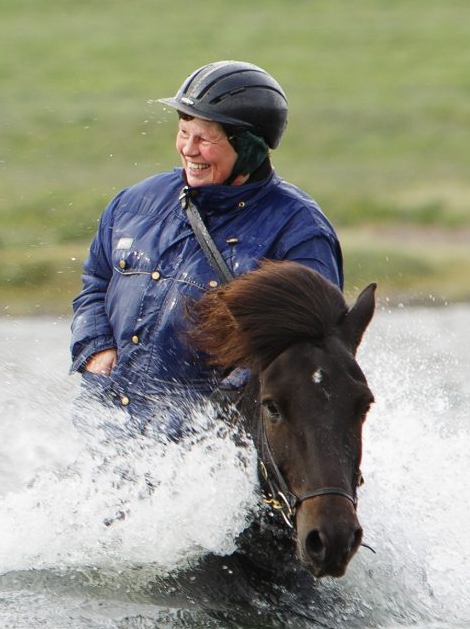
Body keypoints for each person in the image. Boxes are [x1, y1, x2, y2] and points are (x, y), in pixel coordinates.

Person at [69, 61, 342, 431]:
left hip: (213, 450)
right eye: (184, 132)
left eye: (205, 139)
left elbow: (306, 351)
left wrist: (219, 410)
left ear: (247, 147)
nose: (188, 149)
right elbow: (95, 282)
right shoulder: (133, 204)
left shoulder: (298, 231)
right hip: (107, 434)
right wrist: (96, 348)